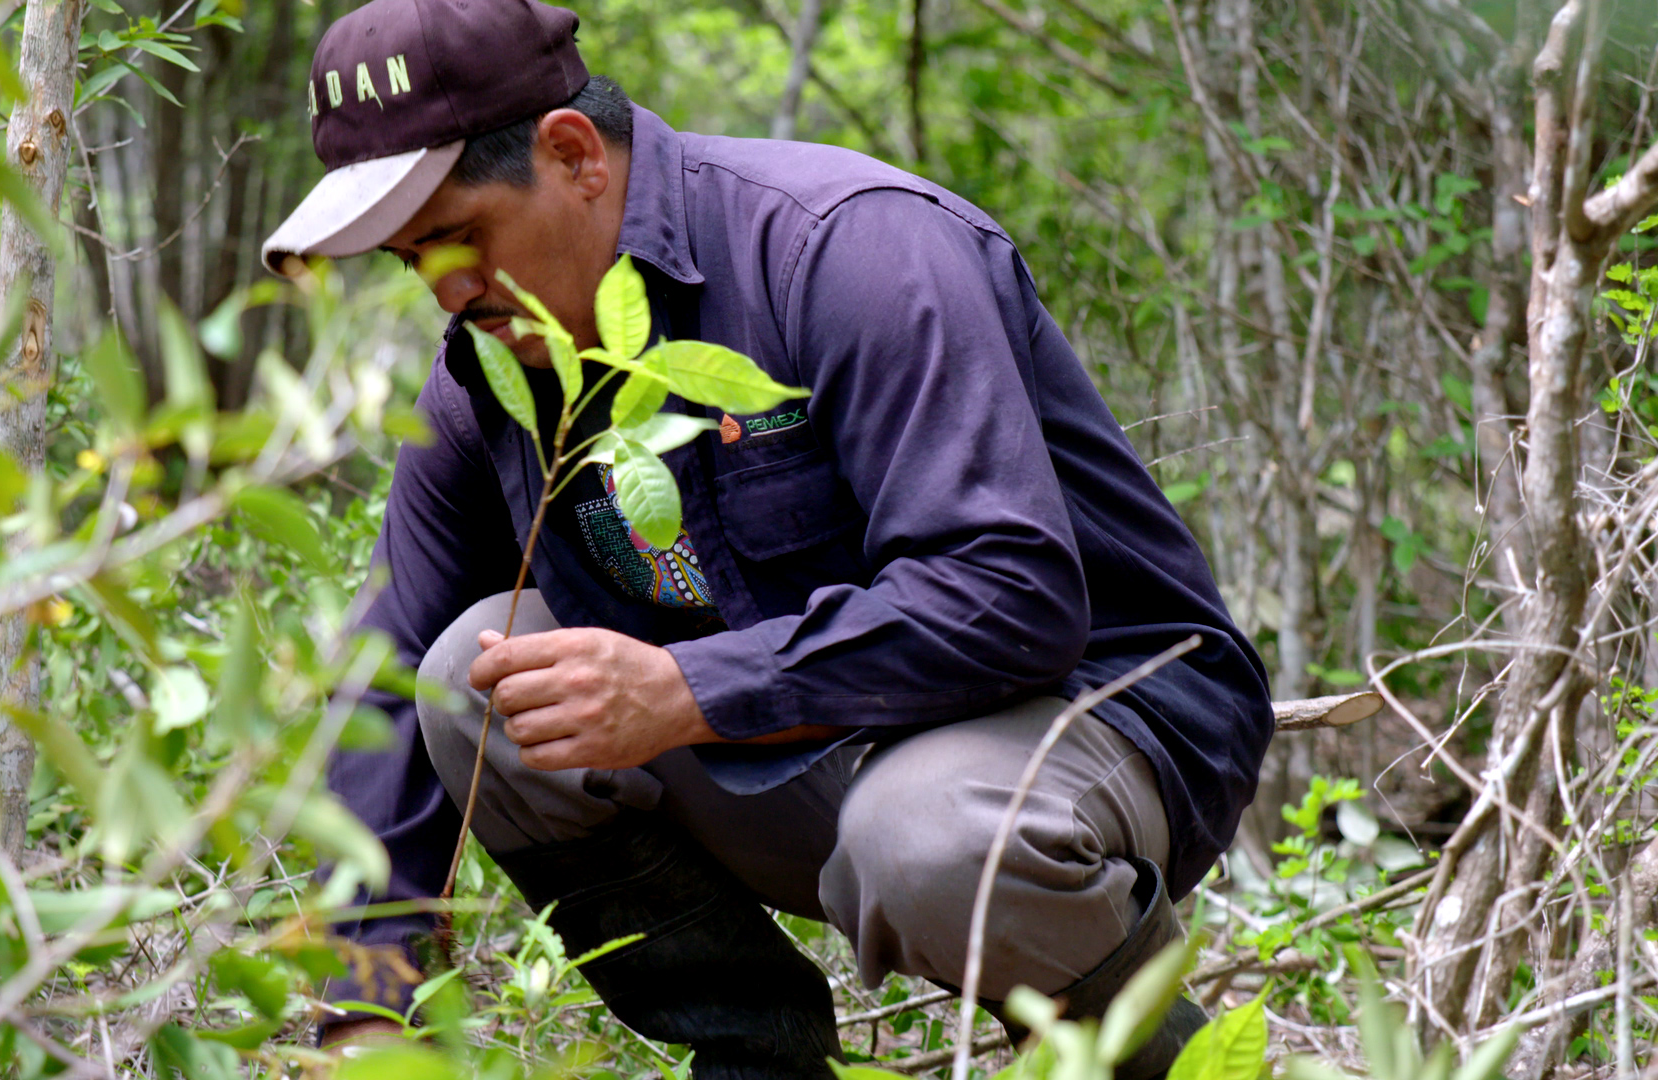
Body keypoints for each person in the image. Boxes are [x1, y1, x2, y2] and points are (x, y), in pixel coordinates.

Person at [260, 0, 1272, 1075]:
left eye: (459, 236)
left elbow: (1010, 595)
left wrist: (686, 690)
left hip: (1092, 716)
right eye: (411, 258)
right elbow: (385, 675)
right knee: (473, 679)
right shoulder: (488, 376)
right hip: (804, 754)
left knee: (928, 839)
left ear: (572, 155)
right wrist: (367, 1008)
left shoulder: (846, 247)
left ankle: (1154, 1064)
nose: (444, 289)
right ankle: (760, 1059)